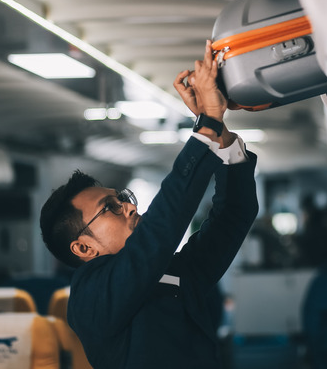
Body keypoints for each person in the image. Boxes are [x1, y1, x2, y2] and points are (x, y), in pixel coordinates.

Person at [39, 40, 259, 368]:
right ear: (84, 249)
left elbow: (234, 215)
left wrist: (218, 130)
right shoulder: (91, 296)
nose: (129, 207)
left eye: (122, 199)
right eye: (110, 207)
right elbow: (160, 228)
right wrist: (206, 124)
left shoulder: (174, 272)